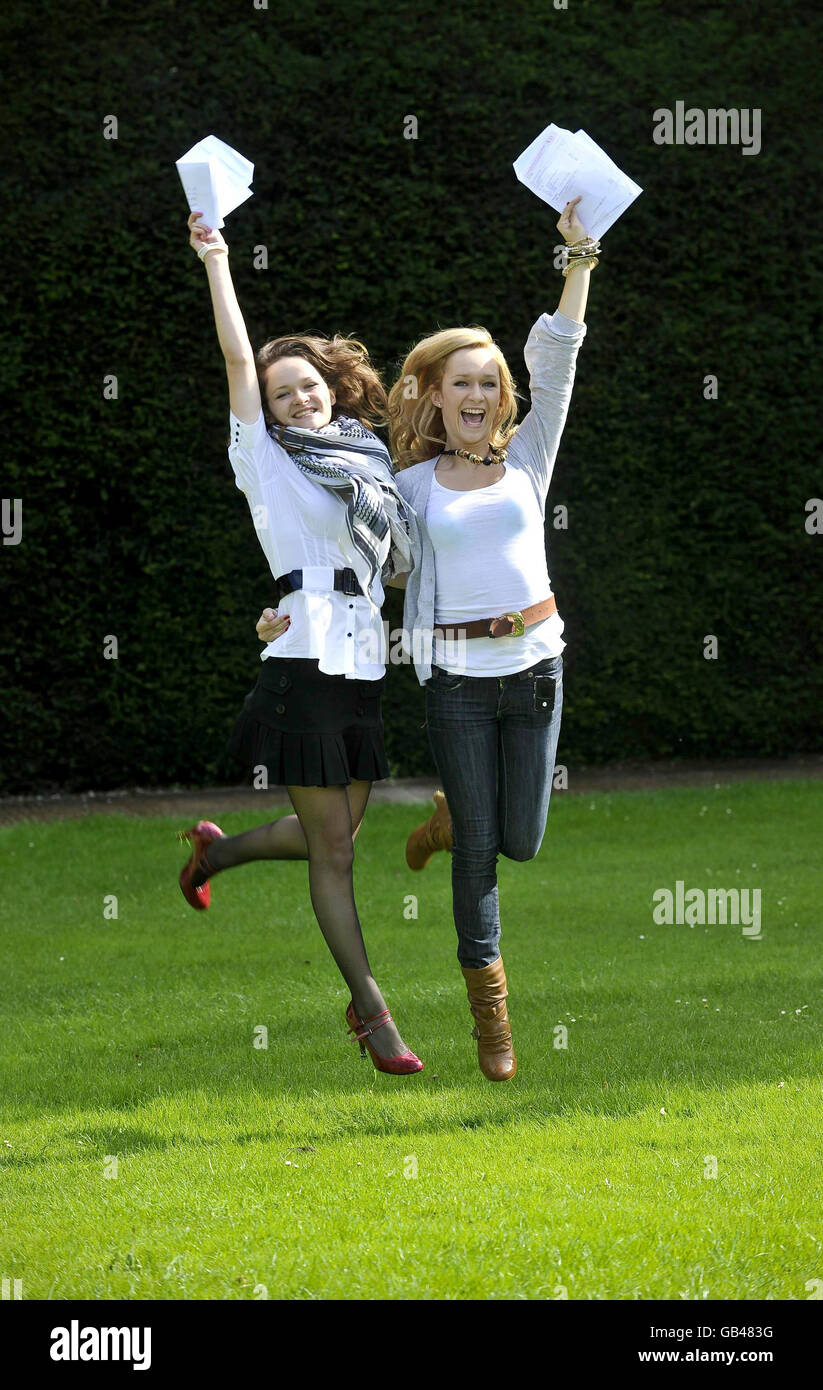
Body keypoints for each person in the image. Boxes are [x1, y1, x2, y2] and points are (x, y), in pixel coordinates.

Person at [177, 209, 423, 1076]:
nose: (297, 399)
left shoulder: (366, 456)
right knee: (336, 852)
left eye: (307, 385)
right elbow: (236, 361)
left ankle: (217, 852)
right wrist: (216, 259)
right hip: (302, 663)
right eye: (282, 393)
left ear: (331, 387)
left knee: (337, 833)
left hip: (363, 662)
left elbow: (401, 560)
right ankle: (372, 1014)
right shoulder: (265, 461)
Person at [386, 197, 597, 1081]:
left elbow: (561, 354)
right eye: (461, 383)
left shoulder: (527, 457)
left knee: (523, 841)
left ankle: (445, 820)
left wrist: (578, 258)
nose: (476, 395)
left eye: (488, 383)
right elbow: (370, 560)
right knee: (480, 854)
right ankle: (493, 1025)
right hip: (457, 683)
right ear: (434, 394)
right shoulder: (407, 486)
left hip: (536, 669)